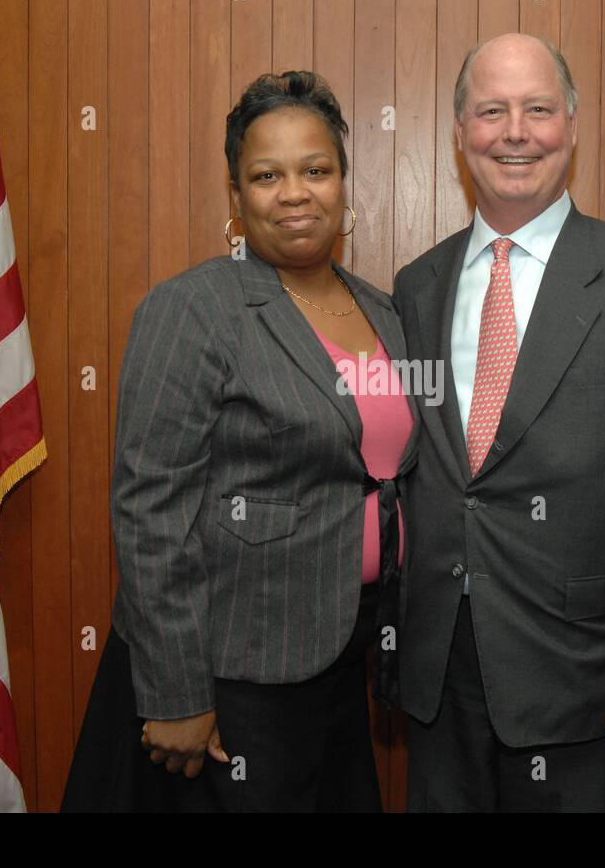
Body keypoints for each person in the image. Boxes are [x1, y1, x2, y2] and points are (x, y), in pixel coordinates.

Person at [392, 34, 605, 812]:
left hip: (591, 683)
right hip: (439, 675)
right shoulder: (419, 284)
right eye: (491, 111)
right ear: (459, 133)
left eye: (538, 109)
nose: (515, 132)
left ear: (572, 126)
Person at [62, 70, 417, 812]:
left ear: (344, 183)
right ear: (237, 195)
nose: (295, 192)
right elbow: (149, 508)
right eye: (267, 175)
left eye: (316, 170)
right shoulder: (194, 309)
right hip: (231, 675)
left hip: (340, 667)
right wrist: (176, 692)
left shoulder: (384, 312)